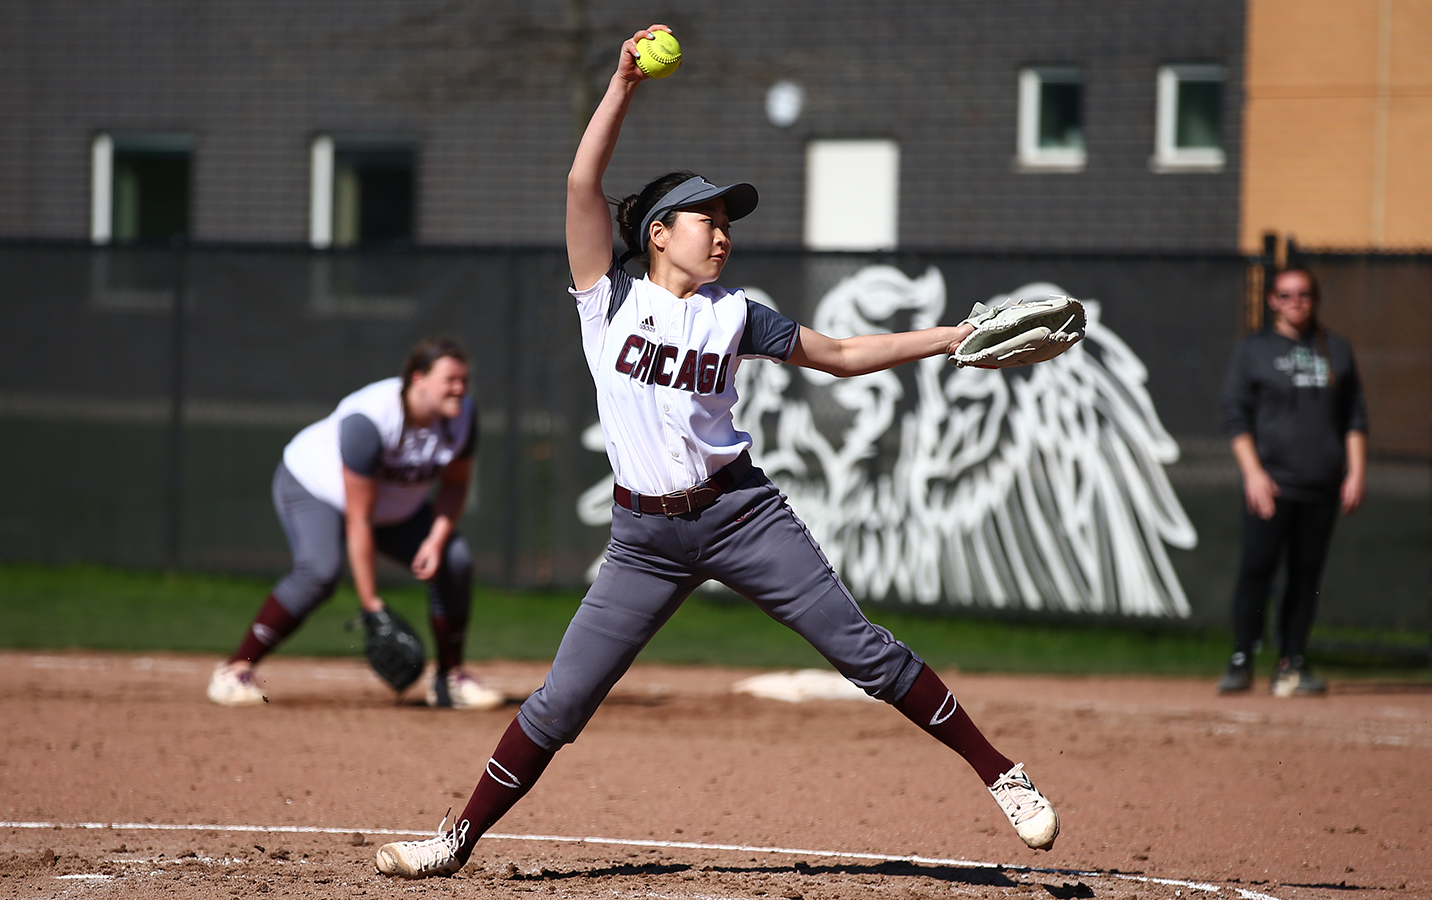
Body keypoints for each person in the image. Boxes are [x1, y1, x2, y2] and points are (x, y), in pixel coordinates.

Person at [372, 25, 1059, 880]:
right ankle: (457, 839)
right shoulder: (607, 297)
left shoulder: (736, 313)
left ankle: (1004, 774)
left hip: (740, 515)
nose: (722, 233)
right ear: (659, 232)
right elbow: (583, 182)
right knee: (563, 700)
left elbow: (839, 355)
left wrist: (953, 338)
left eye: (728, 222)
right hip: (644, 541)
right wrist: (623, 79)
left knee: (864, 653)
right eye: (708, 218)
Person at [207, 337, 503, 711]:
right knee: (319, 571)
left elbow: (456, 484)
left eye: (464, 380)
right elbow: (359, 518)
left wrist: (435, 540)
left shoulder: (462, 417)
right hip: (316, 487)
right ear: (419, 380)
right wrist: (371, 604)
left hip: (395, 507)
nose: (460, 388)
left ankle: (450, 679)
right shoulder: (370, 420)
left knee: (454, 559)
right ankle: (234, 671)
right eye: (450, 380)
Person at [1217, 267, 1368, 697]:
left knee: (1305, 577)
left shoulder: (1335, 349)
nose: (1295, 302)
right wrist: (1254, 473)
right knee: (1257, 572)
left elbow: (1355, 416)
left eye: (1303, 294)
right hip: (1272, 485)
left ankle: (1292, 663)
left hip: (1321, 484)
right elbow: (1235, 415)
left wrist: (1356, 471)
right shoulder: (1255, 350)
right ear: (1272, 301)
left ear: (1315, 299)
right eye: (1285, 295)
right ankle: (1241, 660)